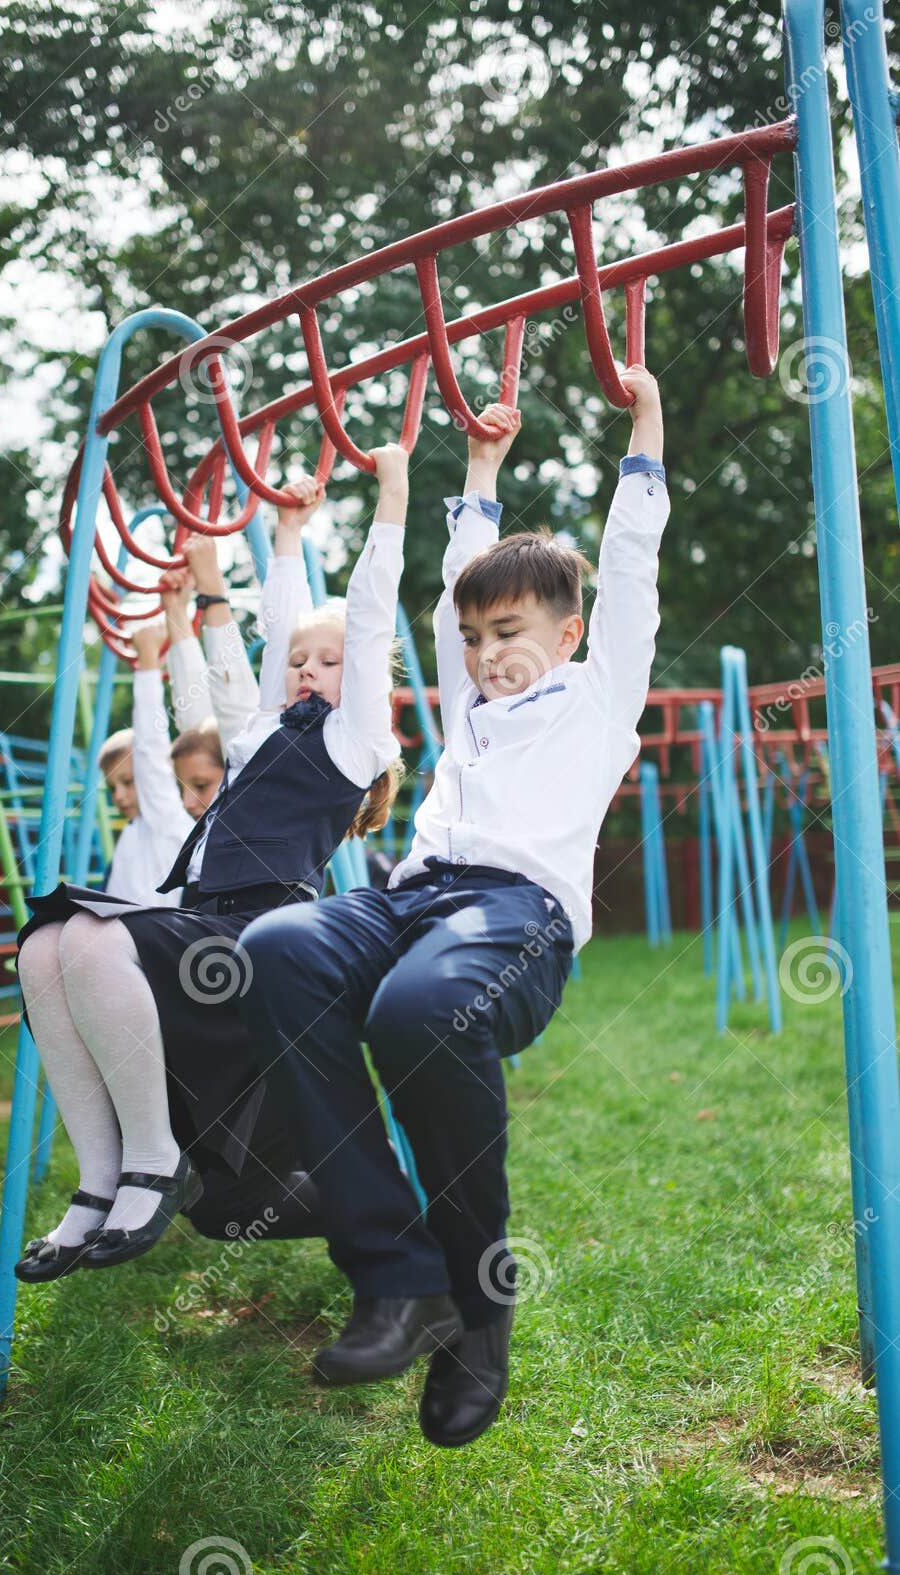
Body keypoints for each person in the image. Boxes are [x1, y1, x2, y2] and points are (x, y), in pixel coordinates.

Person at [237, 369, 668, 1447]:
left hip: (516, 922)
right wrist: (480, 466)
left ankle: (481, 1309)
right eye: (474, 640)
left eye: (510, 632)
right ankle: (398, 1276)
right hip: (413, 895)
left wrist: (645, 422)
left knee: (418, 1014)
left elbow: (629, 561)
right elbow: (447, 591)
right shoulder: (468, 695)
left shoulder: (604, 691)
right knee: (277, 943)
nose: (485, 656)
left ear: (570, 634)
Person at [12, 457, 407, 1282]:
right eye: (301, 659)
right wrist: (288, 533)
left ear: (366, 679)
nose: (309, 668)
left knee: (88, 937)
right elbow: (249, 649)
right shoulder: (260, 726)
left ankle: (155, 1158)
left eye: (330, 662)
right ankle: (97, 1178)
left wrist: (392, 492)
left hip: (264, 932)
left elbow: (369, 618)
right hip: (208, 919)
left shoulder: (353, 742)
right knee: (42, 944)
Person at [98, 553, 258, 907]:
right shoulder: (148, 827)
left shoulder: (169, 817)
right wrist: (175, 610)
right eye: (114, 786)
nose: (187, 801)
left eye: (131, 780)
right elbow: (195, 726)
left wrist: (148, 664)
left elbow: (152, 751)